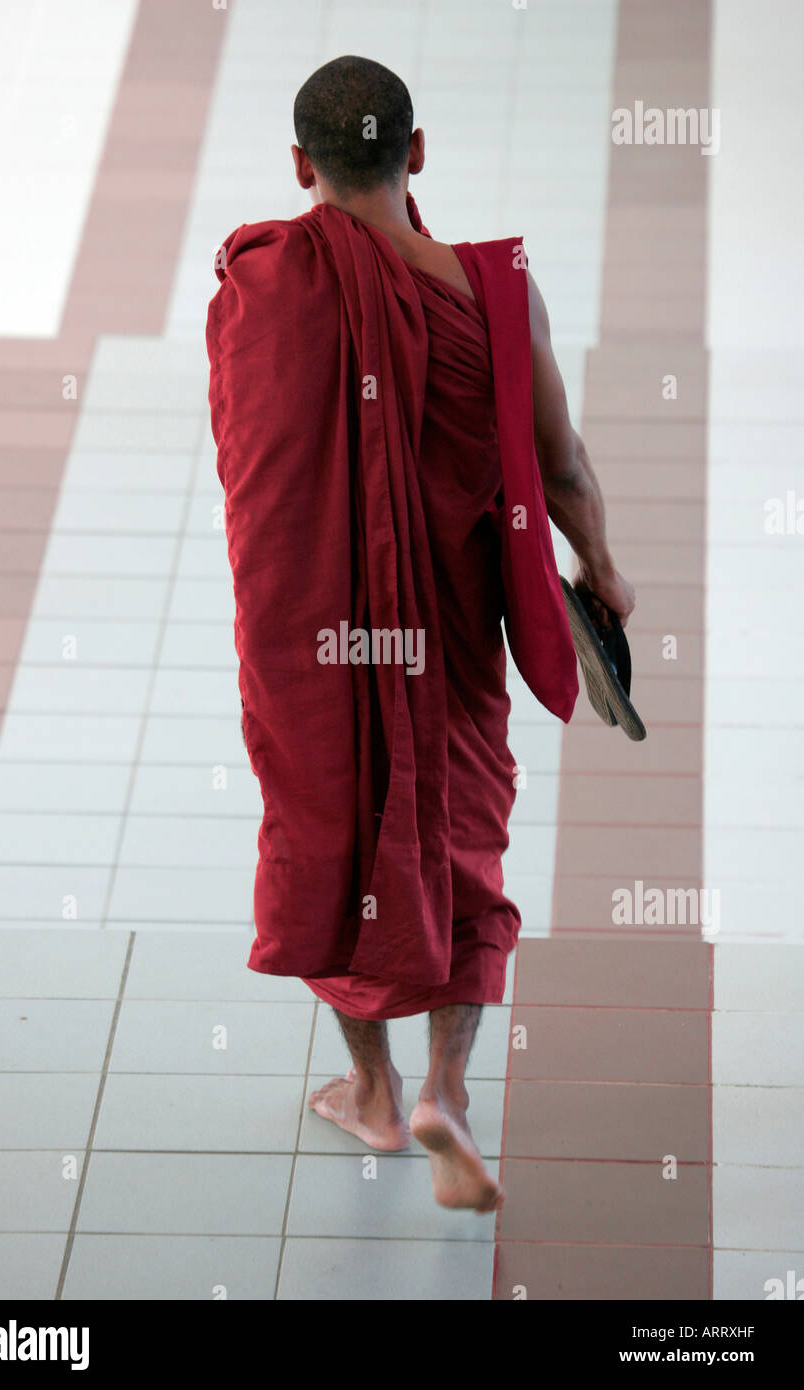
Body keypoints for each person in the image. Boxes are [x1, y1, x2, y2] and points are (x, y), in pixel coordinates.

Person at [206, 55, 635, 1214]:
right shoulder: (496, 292)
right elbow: (562, 468)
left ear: (301, 167)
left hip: (316, 647)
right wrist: (600, 569)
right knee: (456, 837)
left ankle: (375, 1092)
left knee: (329, 839)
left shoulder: (258, 285)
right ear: (419, 151)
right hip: (450, 639)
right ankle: (445, 1085)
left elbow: (259, 476)